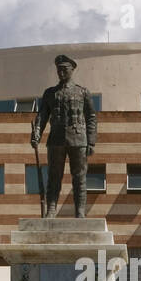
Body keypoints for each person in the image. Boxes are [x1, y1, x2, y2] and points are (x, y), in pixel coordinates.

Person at [31, 54, 97, 218]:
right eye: (58, 70)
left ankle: (80, 212)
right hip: (56, 140)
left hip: (78, 139)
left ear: (72, 69)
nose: (61, 73)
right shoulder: (50, 93)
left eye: (64, 69)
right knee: (54, 177)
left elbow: (91, 117)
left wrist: (91, 141)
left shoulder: (82, 92)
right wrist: (36, 134)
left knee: (79, 178)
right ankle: (51, 210)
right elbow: (42, 116)